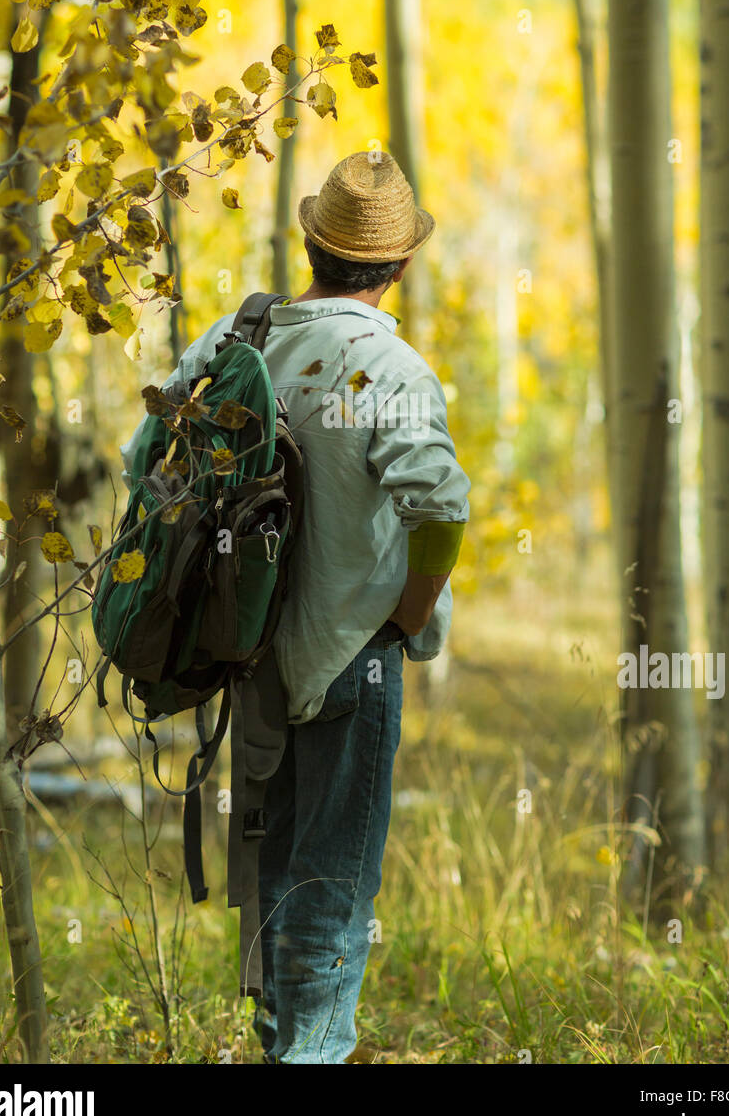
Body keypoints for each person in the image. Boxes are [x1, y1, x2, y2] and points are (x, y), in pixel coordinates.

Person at [120, 150, 470, 1063]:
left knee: (275, 877)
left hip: (249, 652)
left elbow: (139, 464)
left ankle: (282, 1043)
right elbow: (441, 504)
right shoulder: (389, 367)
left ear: (311, 247)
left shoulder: (239, 340)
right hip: (353, 656)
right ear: (399, 267)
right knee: (333, 894)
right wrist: (408, 611)